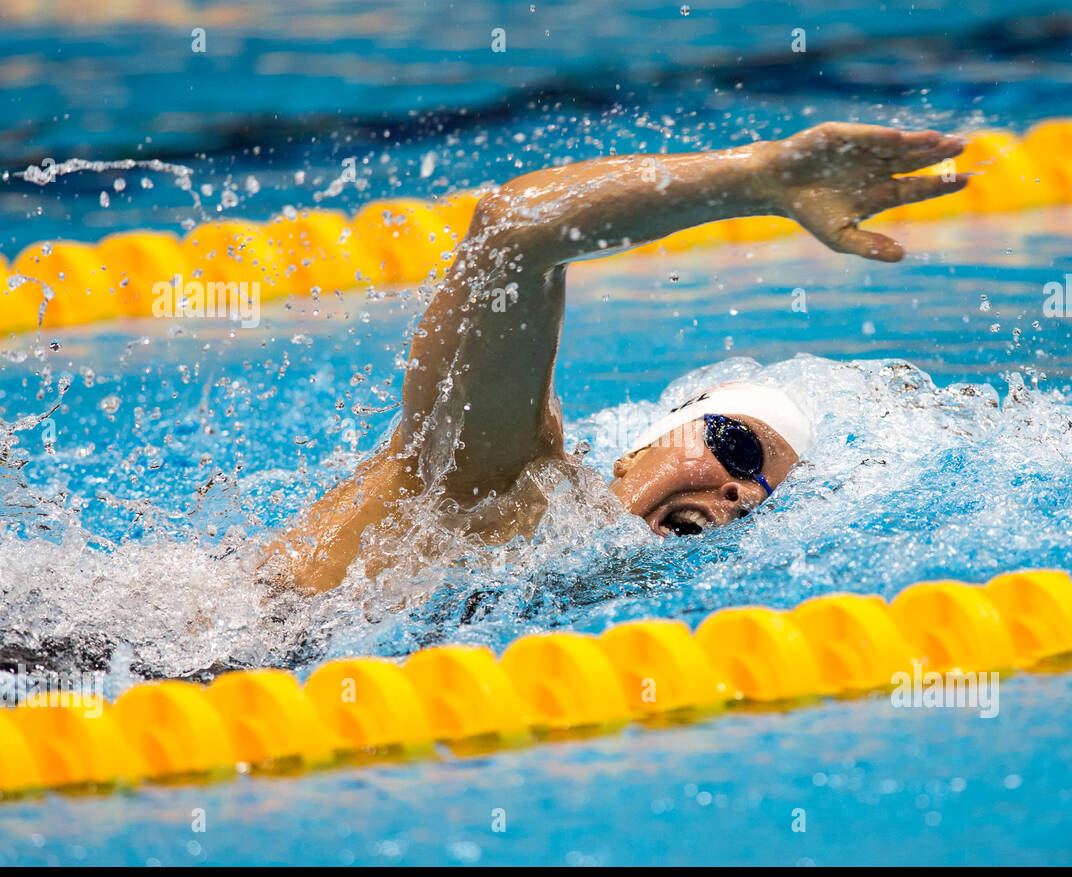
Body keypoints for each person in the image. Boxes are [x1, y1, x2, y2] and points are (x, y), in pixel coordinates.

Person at [265, 122, 968, 592]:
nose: (742, 491)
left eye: (764, 499)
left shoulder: (581, 587)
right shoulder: (505, 486)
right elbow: (513, 232)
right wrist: (759, 180)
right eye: (735, 447)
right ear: (634, 453)